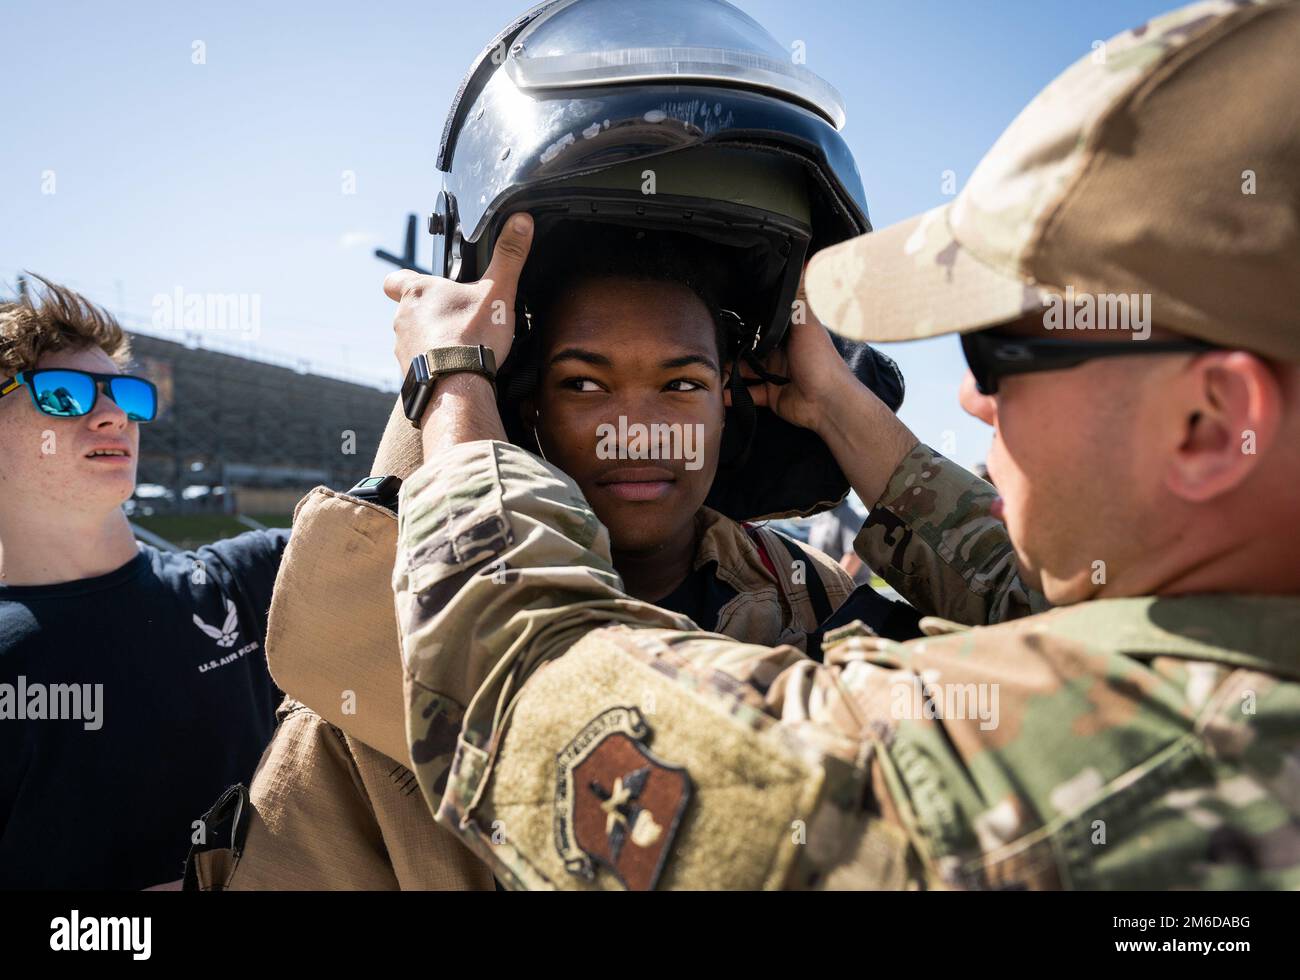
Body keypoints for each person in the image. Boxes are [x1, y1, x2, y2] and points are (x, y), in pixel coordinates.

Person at [384, 0, 1300, 889]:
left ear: (1209, 423)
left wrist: (453, 378)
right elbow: (1055, 602)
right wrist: (834, 408)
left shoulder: (1074, 778)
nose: (973, 397)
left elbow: (528, 691)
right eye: (584, 381)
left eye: (999, 347)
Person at [183, 0, 917, 890]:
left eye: (682, 385)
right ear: (520, 403)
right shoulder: (361, 703)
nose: (636, 427)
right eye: (585, 383)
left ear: (734, 402)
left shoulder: (818, 607)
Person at [0, 277, 286, 889]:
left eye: (125, 395)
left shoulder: (248, 580)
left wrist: (446, 363)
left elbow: (421, 521)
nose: (112, 416)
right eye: (63, 395)